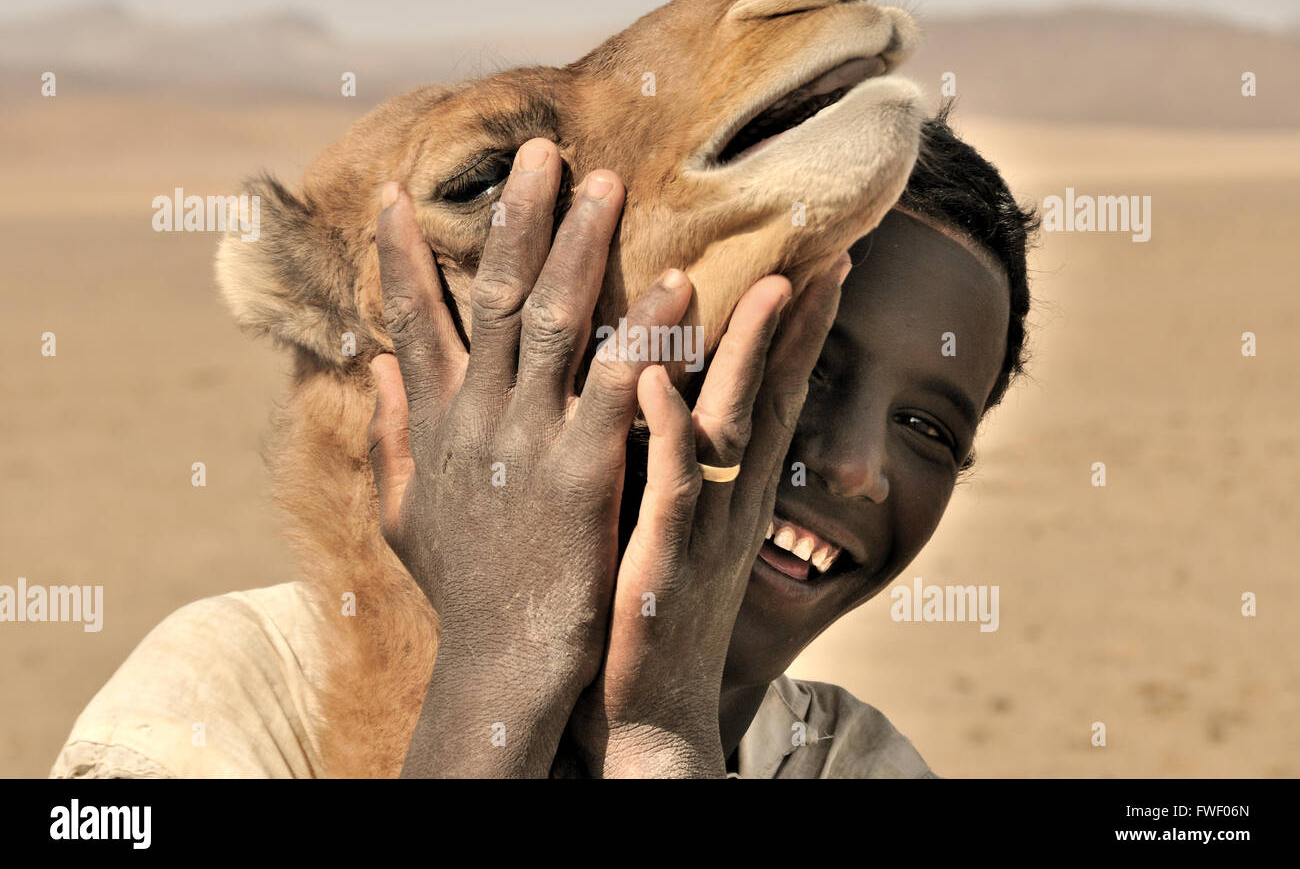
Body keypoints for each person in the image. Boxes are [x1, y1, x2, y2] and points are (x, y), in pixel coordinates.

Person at [50, 106, 1037, 778]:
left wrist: (660, 733)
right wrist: (507, 663)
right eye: (803, 363)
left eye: (929, 426)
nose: (859, 463)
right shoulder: (230, 689)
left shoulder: (849, 762)